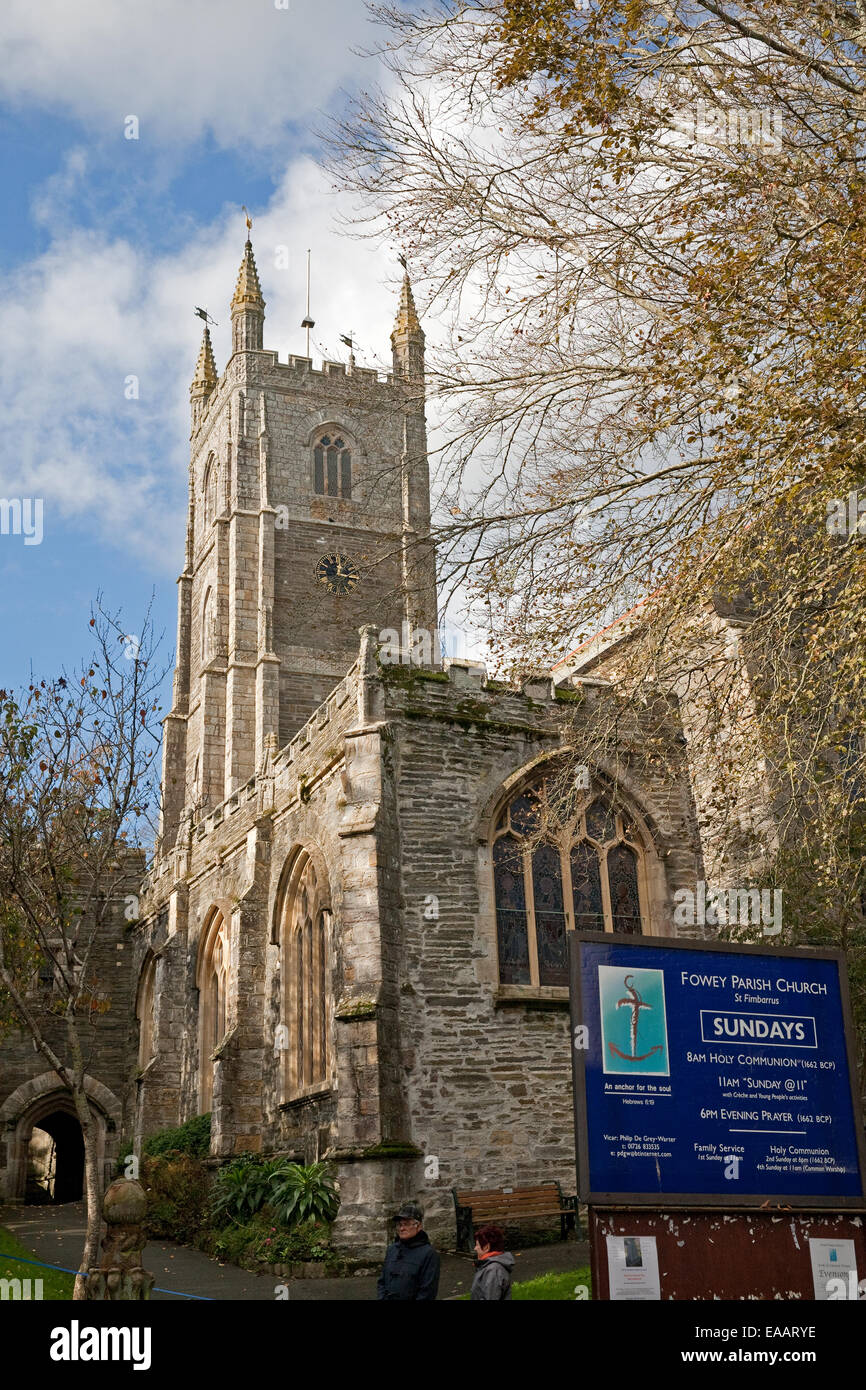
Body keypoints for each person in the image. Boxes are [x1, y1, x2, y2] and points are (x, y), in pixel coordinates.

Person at [377, 1201, 441, 1300]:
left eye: (406, 1224)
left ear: (418, 1226)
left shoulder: (429, 1254)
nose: (402, 1228)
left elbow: (427, 1292)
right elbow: (382, 1282)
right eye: (399, 1224)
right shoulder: (392, 1250)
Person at [470, 1224, 515, 1300]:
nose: (475, 1248)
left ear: (486, 1247)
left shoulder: (493, 1270)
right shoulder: (489, 1267)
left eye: (477, 1245)